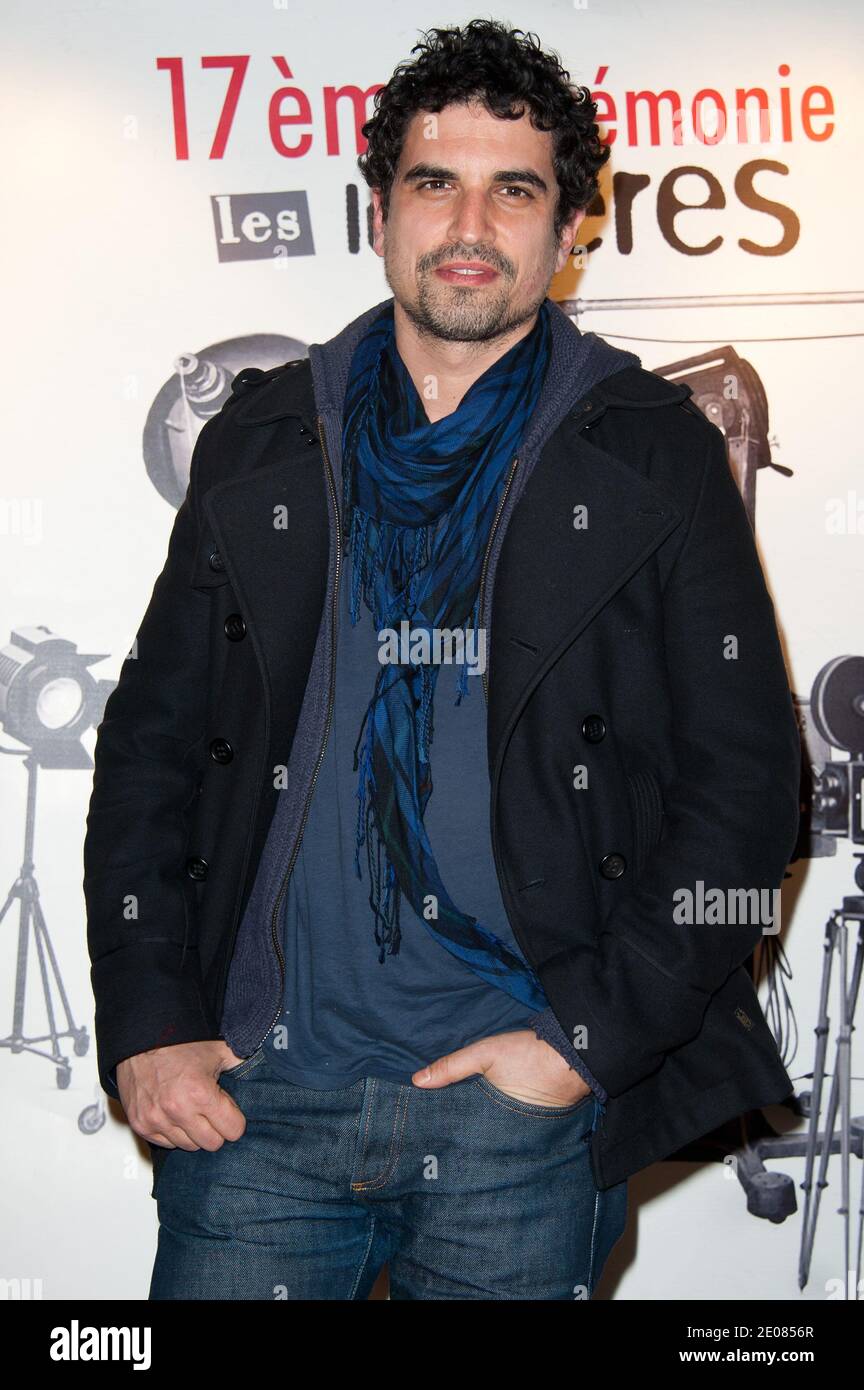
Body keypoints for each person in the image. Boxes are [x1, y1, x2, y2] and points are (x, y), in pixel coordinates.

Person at [83, 19, 800, 1301]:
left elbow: (747, 796)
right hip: (257, 1105)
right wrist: (148, 1023)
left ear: (569, 227)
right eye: (435, 182)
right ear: (378, 212)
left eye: (515, 189)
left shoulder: (651, 451)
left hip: (515, 1124)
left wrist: (583, 1046)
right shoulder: (264, 437)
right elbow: (149, 748)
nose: (471, 222)